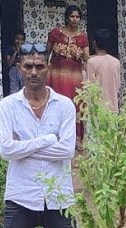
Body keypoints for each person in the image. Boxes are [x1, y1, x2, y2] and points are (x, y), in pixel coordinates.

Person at [0, 44, 87, 228]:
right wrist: (47, 140)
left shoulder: (65, 105)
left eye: (39, 66)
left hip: (57, 196)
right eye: (28, 67)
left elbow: (66, 150)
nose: (33, 72)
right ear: (19, 69)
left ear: (49, 68)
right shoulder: (8, 106)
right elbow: (6, 150)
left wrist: (23, 147)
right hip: (21, 195)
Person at [48, 4, 88, 141]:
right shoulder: (55, 33)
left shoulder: (83, 37)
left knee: (76, 105)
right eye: (72, 16)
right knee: (56, 103)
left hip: (75, 78)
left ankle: (76, 139)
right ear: (67, 17)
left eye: (77, 17)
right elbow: (46, 53)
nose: (75, 19)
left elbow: (86, 57)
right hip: (56, 76)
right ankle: (55, 137)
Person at [85, 28, 121, 112]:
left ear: (94, 43)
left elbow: (89, 87)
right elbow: (118, 85)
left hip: (97, 108)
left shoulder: (91, 62)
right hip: (113, 107)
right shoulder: (116, 62)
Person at [5, 30, 26, 95]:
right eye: (17, 39)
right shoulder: (9, 49)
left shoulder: (25, 49)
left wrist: (20, 50)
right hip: (12, 73)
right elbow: (9, 64)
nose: (19, 41)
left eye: (21, 39)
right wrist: (16, 51)